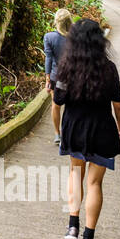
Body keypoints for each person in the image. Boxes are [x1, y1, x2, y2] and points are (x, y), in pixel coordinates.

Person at [53, 19, 120, 239]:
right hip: (102, 129)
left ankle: (72, 227)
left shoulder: (67, 67)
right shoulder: (109, 68)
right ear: (99, 40)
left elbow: (58, 100)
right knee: (95, 183)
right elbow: (117, 104)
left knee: (76, 174)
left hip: (75, 128)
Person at [43, 9, 73, 144]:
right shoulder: (76, 37)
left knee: (56, 105)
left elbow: (48, 59)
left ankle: (57, 134)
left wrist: (47, 79)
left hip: (56, 77)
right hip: (74, 77)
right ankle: (68, 133)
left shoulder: (49, 37)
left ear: (56, 21)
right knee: (72, 106)